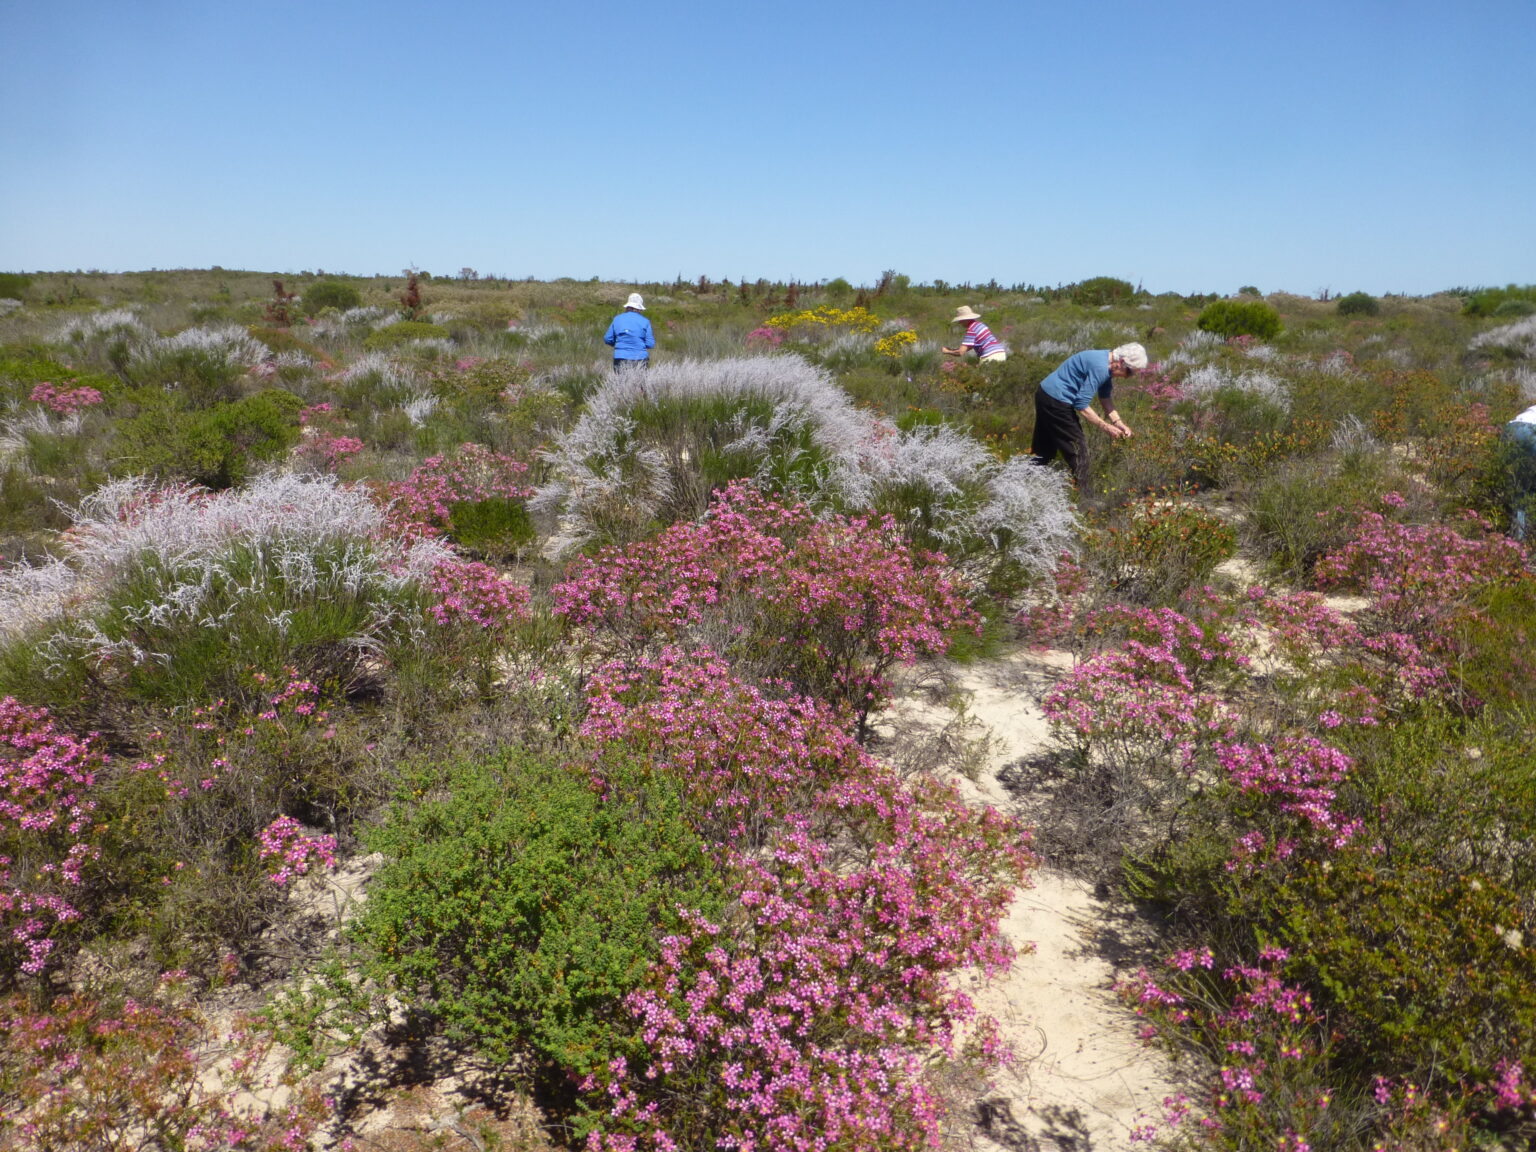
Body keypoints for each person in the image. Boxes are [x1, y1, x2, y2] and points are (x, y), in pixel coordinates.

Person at [1031, 343, 1148, 489]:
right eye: (1129, 372)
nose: (1127, 377)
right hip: (1056, 401)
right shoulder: (1101, 368)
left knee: (1044, 450)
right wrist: (1106, 427)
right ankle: (1084, 499)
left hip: (1045, 393)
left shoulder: (1106, 360)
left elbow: (1105, 397)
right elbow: (1081, 404)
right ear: (1121, 362)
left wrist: (1118, 422)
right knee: (1078, 452)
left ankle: (1025, 482)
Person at [604, 292, 655, 369]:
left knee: (620, 380)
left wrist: (620, 344)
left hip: (620, 357)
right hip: (640, 359)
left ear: (628, 306)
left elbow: (608, 339)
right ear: (639, 308)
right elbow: (650, 344)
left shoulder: (617, 319)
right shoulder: (645, 321)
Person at [942, 306, 1007, 363]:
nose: (959, 322)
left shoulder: (972, 330)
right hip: (1001, 354)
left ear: (966, 319)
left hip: (990, 356)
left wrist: (946, 351)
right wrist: (952, 350)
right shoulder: (980, 325)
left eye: (961, 320)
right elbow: (967, 348)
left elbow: (960, 352)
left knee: (983, 377)